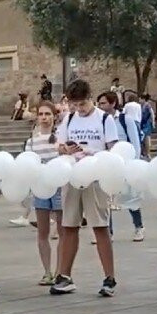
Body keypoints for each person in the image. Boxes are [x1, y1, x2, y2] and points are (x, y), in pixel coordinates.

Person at [51, 79, 117, 297]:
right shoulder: (69, 118)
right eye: (75, 105)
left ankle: (109, 277)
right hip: (72, 174)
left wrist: (91, 152)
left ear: (91, 99)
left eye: (83, 104)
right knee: (69, 225)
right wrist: (66, 149)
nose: (79, 109)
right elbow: (59, 145)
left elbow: (113, 150)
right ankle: (65, 275)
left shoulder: (105, 119)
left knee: (100, 225)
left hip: (96, 175)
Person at [96, 90, 144, 242]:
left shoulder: (125, 119)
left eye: (103, 103)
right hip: (107, 163)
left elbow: (135, 142)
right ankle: (107, 232)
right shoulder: (99, 120)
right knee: (106, 198)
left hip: (125, 161)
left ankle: (138, 227)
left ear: (113, 103)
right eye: (99, 103)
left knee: (130, 197)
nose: (101, 106)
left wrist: (134, 162)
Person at [24, 101, 61, 285]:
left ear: (54, 116)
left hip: (59, 187)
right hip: (40, 187)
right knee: (43, 231)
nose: (44, 118)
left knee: (63, 230)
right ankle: (47, 271)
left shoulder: (61, 139)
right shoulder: (32, 142)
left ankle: (61, 270)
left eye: (48, 114)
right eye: (41, 114)